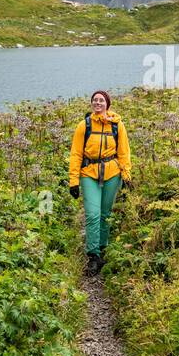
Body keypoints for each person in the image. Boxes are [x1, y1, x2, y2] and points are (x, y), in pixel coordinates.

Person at [68, 89, 131, 274]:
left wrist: (126, 176)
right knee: (93, 214)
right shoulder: (84, 126)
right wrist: (73, 181)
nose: (98, 103)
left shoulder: (117, 126)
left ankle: (104, 248)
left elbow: (124, 152)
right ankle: (93, 255)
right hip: (89, 174)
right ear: (91, 104)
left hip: (112, 173)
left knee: (105, 213)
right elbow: (76, 154)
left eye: (101, 100)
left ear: (107, 104)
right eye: (95, 100)